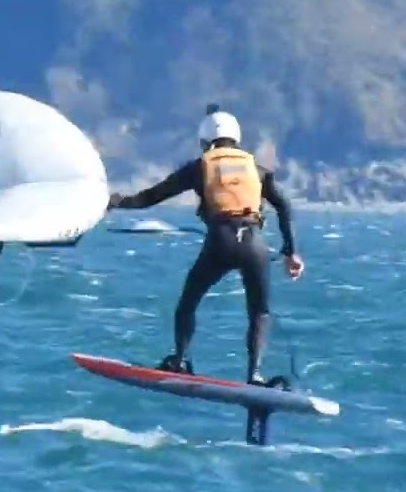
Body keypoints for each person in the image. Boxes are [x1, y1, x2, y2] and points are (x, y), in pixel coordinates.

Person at [107, 106, 305, 385]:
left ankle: (179, 360)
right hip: (254, 245)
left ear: (205, 141)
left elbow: (151, 196)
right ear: (236, 138)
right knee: (259, 312)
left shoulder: (200, 166)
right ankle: (255, 375)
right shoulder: (257, 169)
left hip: (220, 242)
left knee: (187, 304)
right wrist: (291, 251)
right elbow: (284, 206)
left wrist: (116, 201)